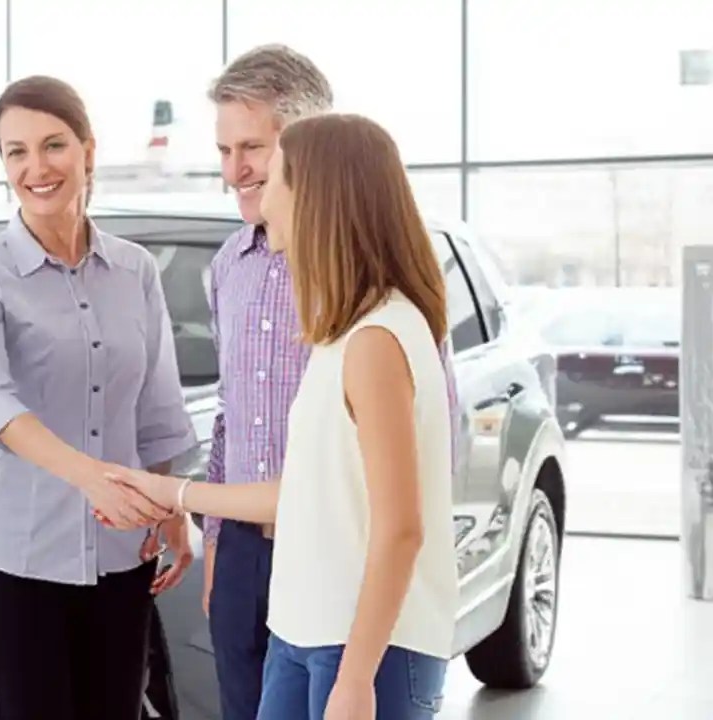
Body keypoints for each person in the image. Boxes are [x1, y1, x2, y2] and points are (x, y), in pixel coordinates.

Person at [107, 112, 458, 719]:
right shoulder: (338, 333)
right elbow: (302, 493)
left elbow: (402, 527)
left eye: (276, 180)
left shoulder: (378, 338)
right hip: (301, 630)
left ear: (318, 199)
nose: (260, 197)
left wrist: (355, 679)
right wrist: (168, 490)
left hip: (364, 649)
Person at [200, 44, 460, 719]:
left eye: (256, 150)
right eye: (225, 151)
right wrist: (211, 535)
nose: (238, 173)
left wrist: (360, 667)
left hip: (352, 577)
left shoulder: (374, 320)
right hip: (257, 568)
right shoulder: (235, 265)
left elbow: (416, 488)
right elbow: (232, 414)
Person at [0, 75, 198, 720]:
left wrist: (168, 503)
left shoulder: (136, 270)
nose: (36, 167)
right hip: (17, 559)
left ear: (88, 149)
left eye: (53, 145)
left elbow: (158, 407)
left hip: (122, 553)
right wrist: (93, 481)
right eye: (16, 151)